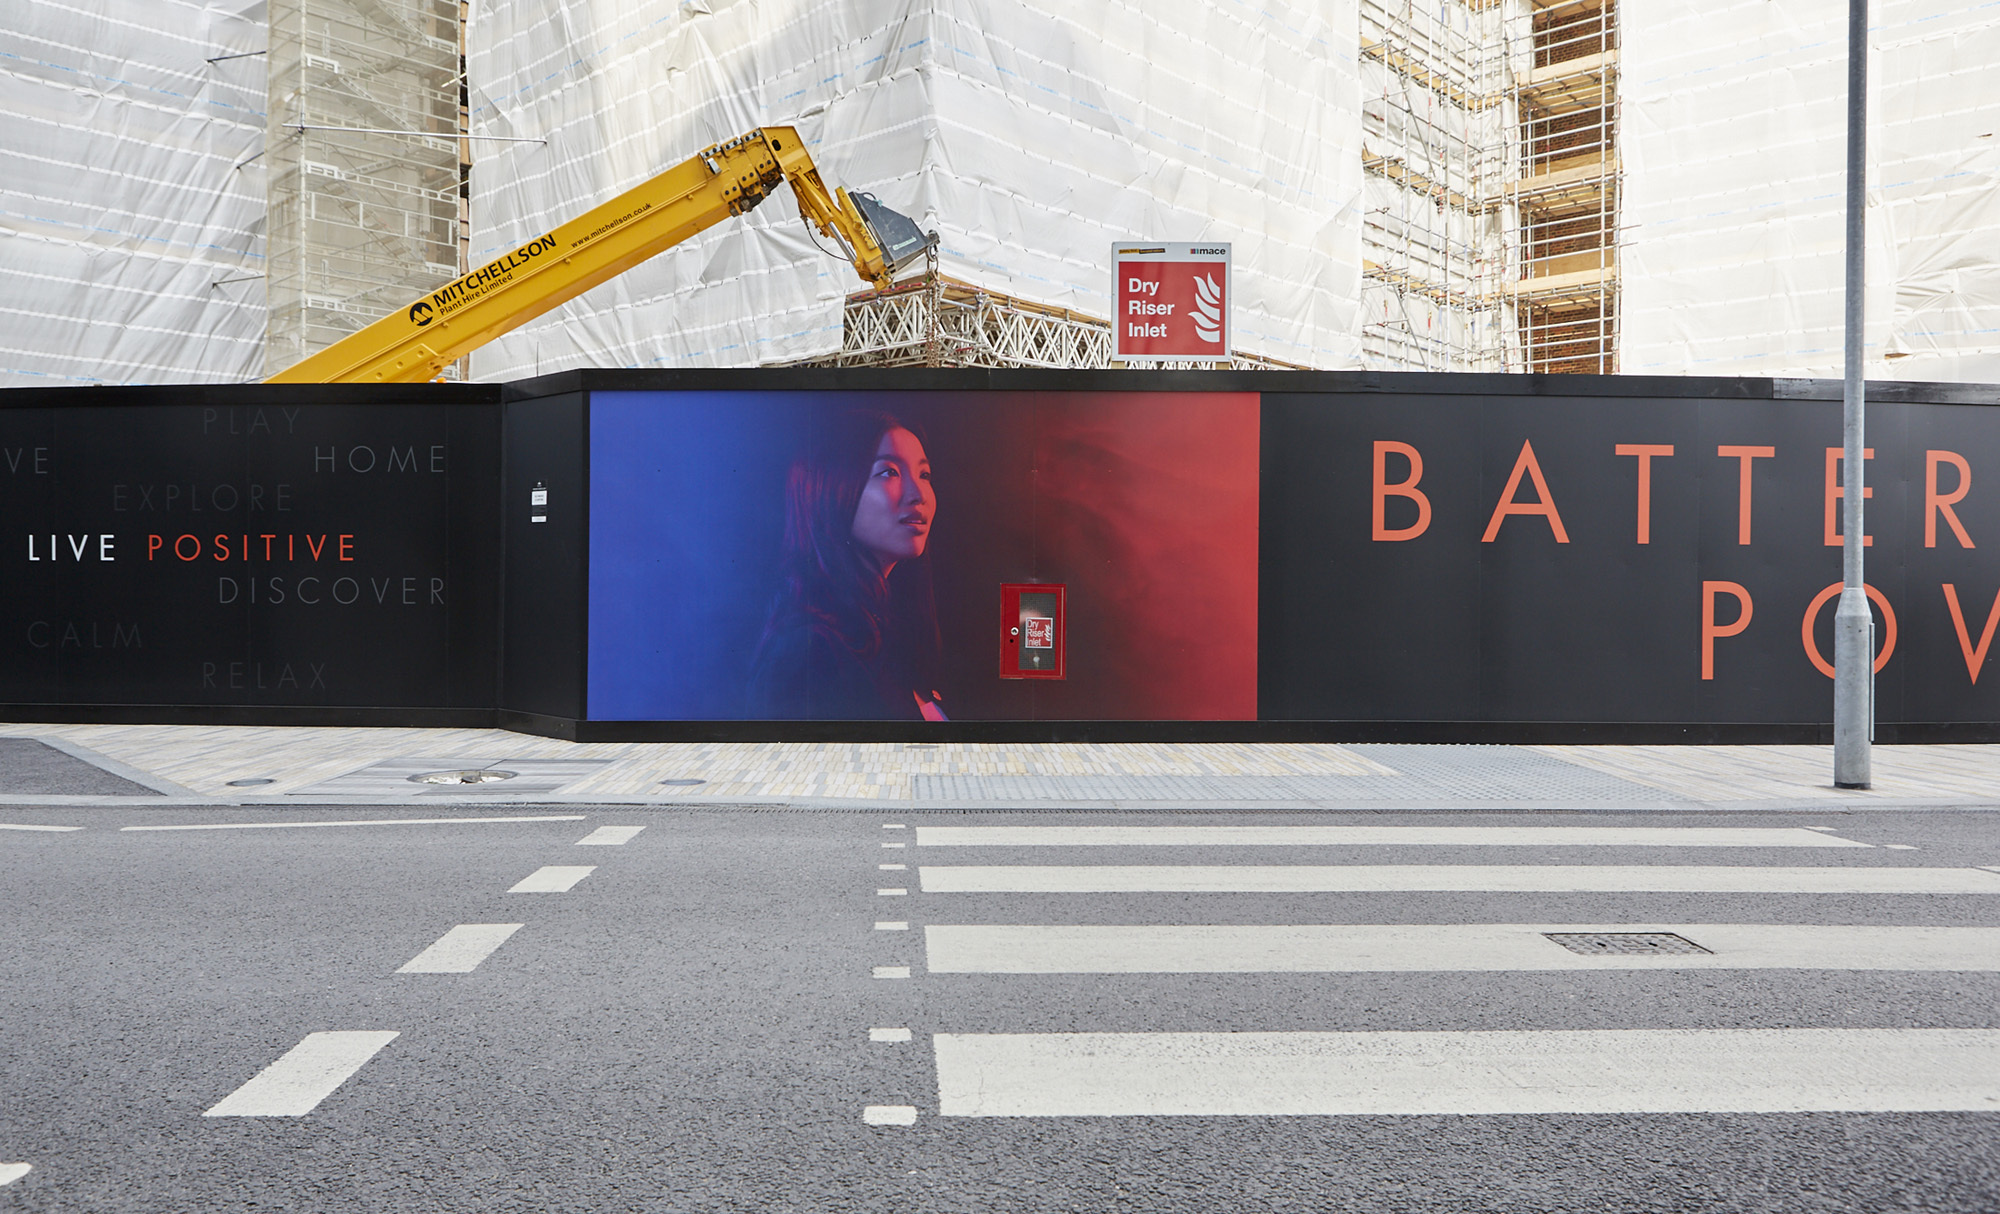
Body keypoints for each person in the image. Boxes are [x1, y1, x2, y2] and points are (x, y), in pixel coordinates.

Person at [748, 410, 947, 720]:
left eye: (924, 475)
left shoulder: (891, 632)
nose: (918, 494)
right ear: (832, 488)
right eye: (889, 472)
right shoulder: (807, 652)